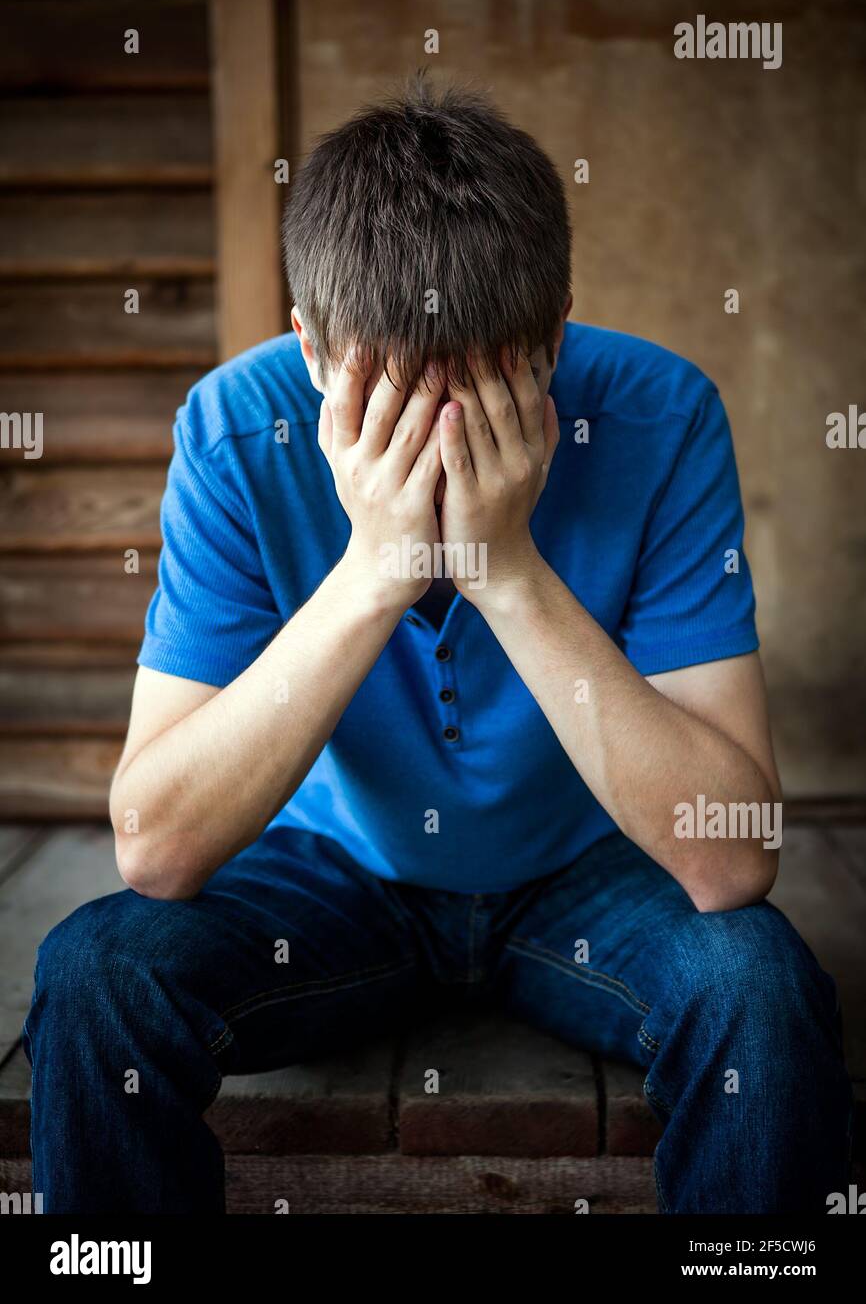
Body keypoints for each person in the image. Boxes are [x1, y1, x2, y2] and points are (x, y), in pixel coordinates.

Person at [24, 78, 852, 1214]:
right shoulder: (233, 430)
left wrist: (504, 568)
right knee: (95, 973)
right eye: (389, 401)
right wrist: (375, 568)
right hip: (335, 877)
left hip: (586, 874)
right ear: (309, 348)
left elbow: (732, 859)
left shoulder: (660, 416)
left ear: (555, 336)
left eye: (489, 393)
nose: (438, 443)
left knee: (758, 982)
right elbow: (155, 849)